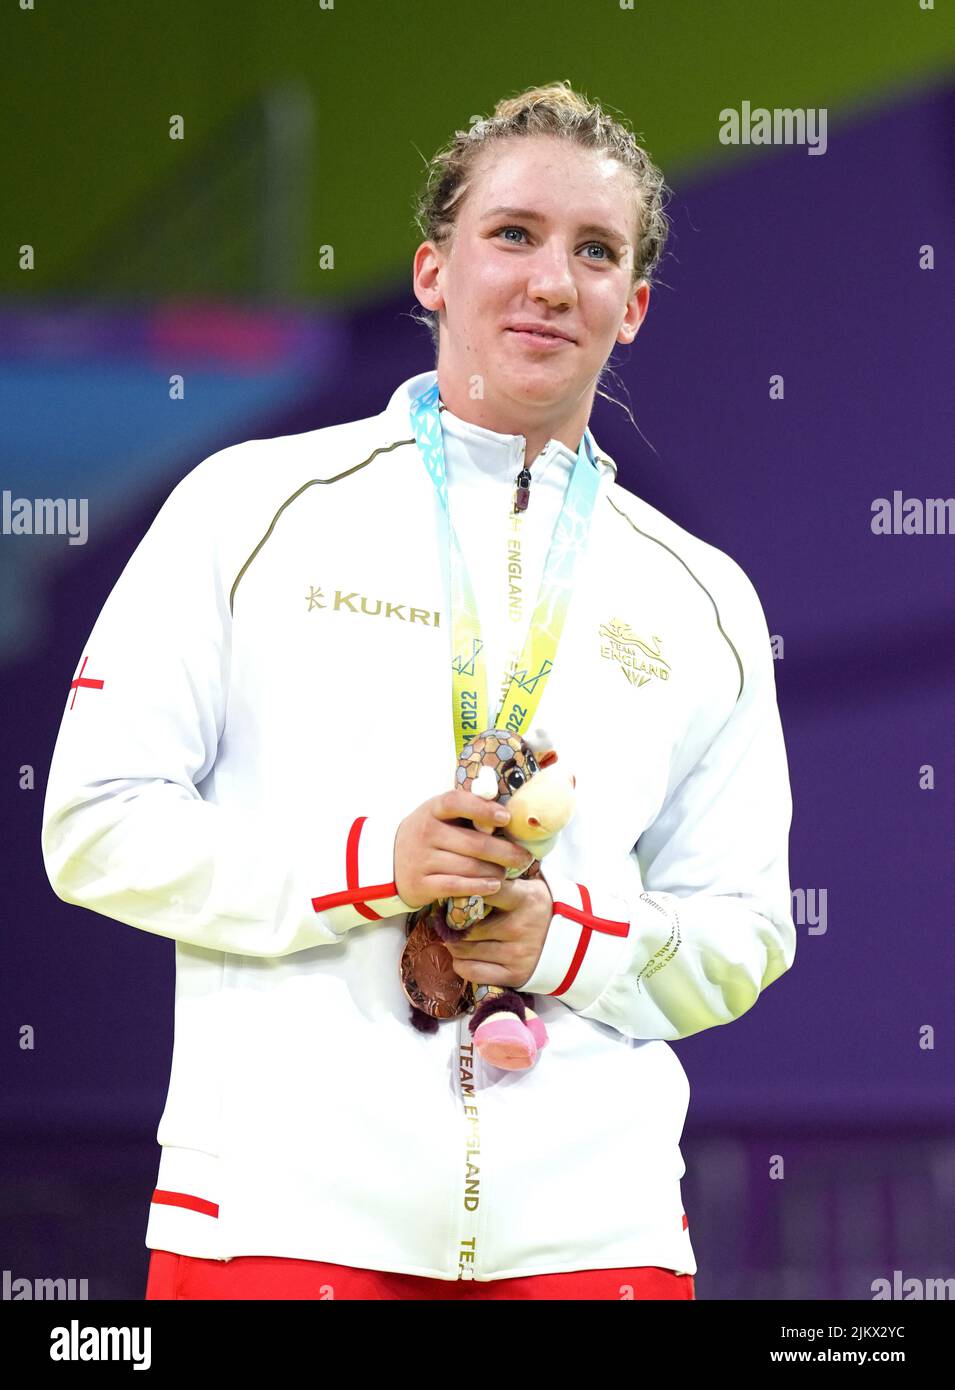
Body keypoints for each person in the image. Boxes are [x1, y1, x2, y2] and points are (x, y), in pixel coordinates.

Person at [40, 81, 796, 1301]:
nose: (552, 280)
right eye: (513, 234)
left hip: (596, 1244)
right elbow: (93, 825)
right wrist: (370, 869)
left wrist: (569, 939)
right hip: (281, 1225)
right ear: (433, 270)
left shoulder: (700, 595)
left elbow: (746, 930)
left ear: (634, 306)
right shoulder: (247, 509)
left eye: (594, 252)